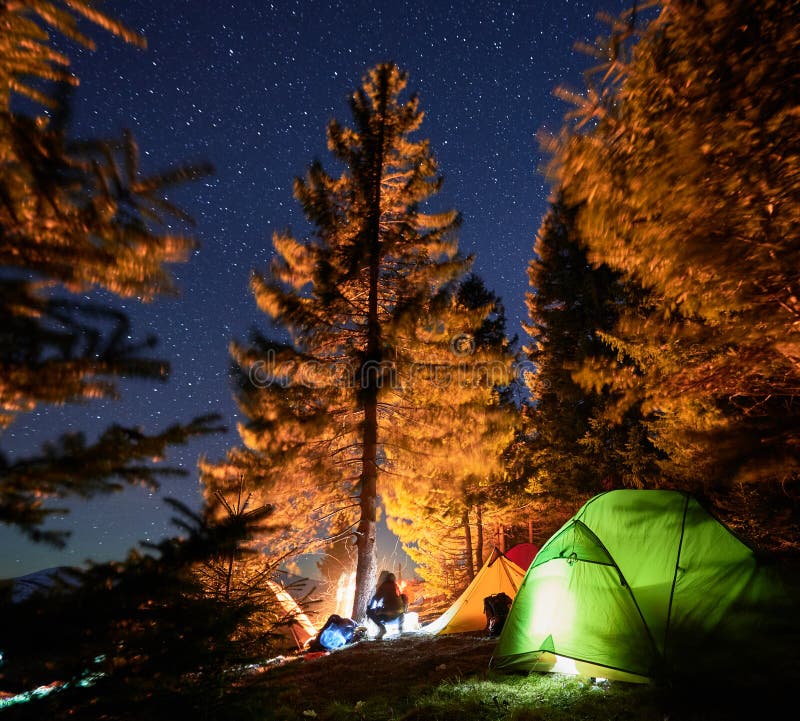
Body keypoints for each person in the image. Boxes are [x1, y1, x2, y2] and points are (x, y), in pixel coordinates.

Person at [366, 571, 408, 640]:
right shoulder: (396, 586)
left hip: (390, 616)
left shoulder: (384, 585)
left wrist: (370, 606)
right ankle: (400, 628)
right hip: (400, 615)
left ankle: (382, 629)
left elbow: (376, 598)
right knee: (397, 609)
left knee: (369, 611)